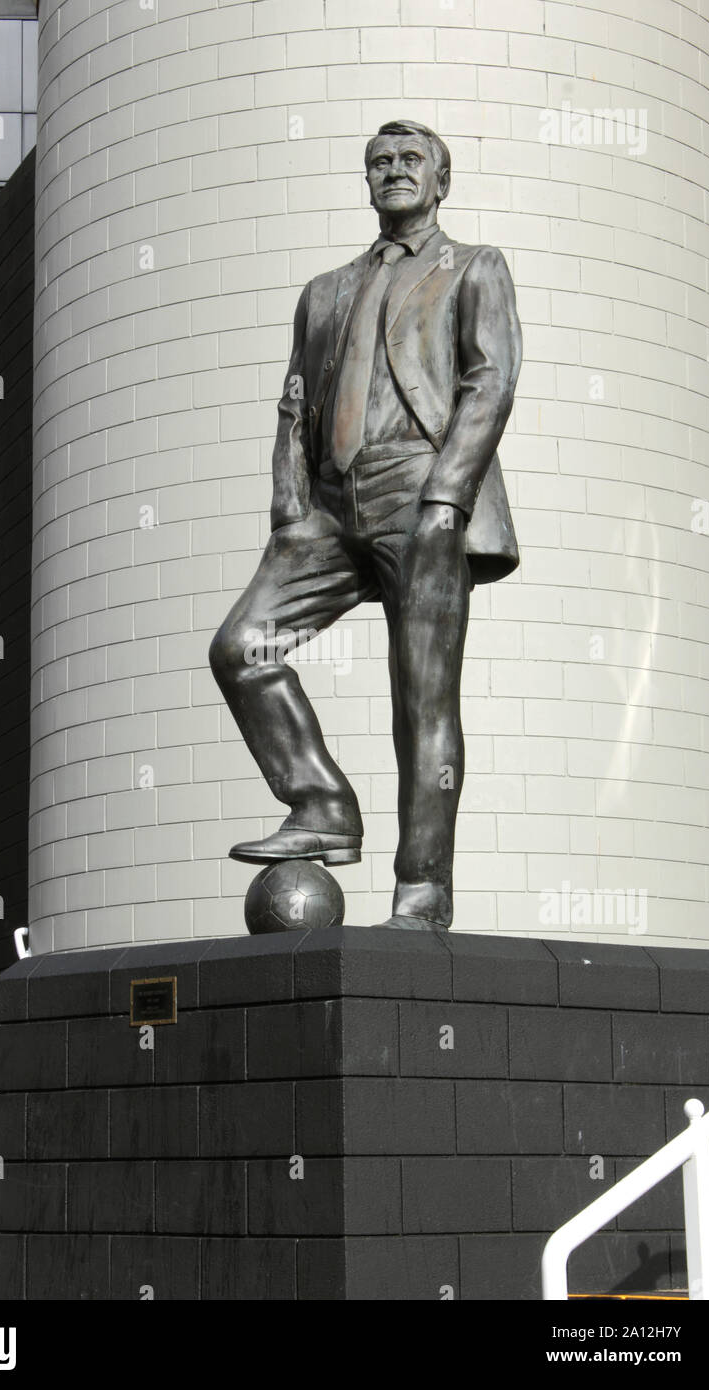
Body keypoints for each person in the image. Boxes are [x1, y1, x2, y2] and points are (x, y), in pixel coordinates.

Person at [209, 119, 522, 930]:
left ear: (441, 181)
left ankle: (421, 894)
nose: (393, 171)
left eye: (411, 160)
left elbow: (490, 383)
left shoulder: (474, 268)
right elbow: (293, 406)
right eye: (379, 162)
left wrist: (448, 498)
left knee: (422, 702)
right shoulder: (324, 290)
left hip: (419, 492)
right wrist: (289, 509)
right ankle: (322, 803)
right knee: (243, 649)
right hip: (326, 505)